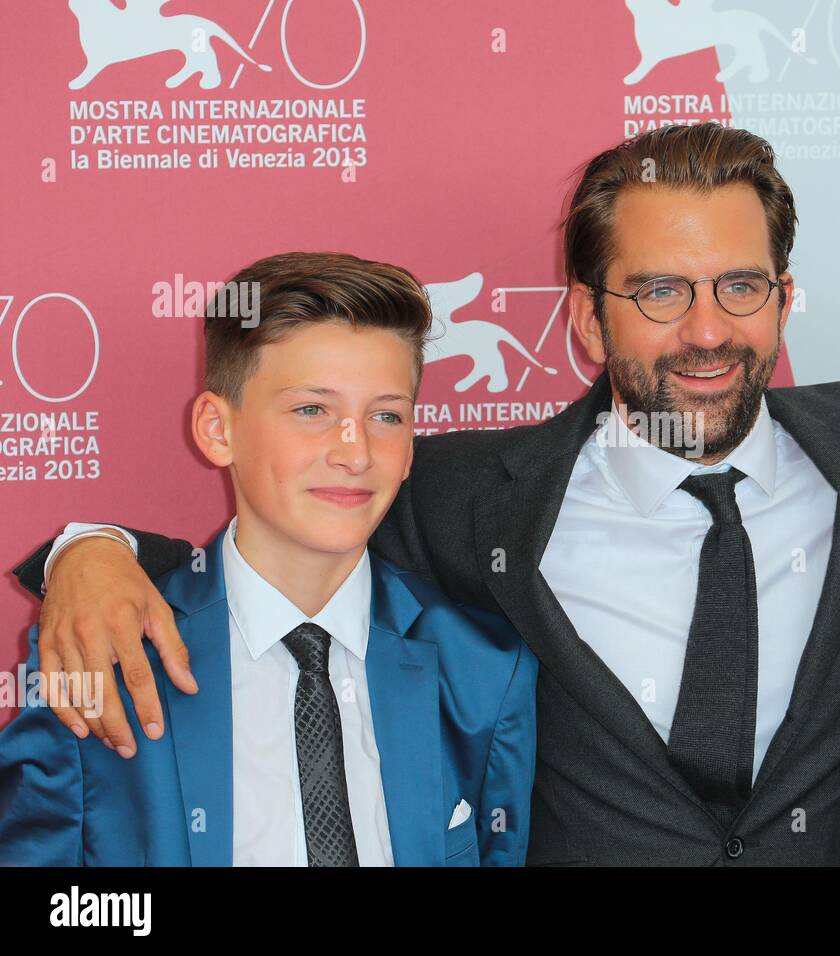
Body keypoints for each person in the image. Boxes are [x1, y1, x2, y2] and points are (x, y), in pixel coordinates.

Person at [12, 126, 840, 866]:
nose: (705, 328)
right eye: (657, 290)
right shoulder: (459, 492)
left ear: (786, 300)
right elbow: (283, 524)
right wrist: (87, 546)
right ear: (583, 314)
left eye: (741, 286)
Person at [0, 252, 537, 866]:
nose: (354, 450)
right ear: (217, 429)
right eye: (312, 410)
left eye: (386, 415)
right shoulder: (106, 650)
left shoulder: (484, 669)